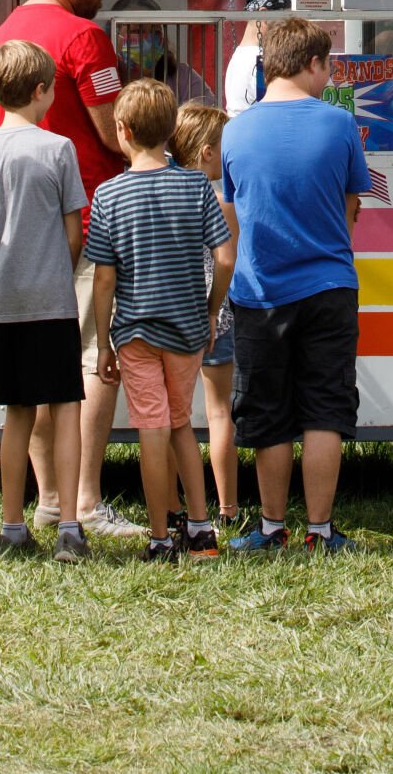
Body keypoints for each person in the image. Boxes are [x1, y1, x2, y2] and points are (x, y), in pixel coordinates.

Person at [0, 0, 135, 538]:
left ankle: (49, 499)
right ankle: (88, 500)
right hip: (91, 219)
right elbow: (113, 131)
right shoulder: (86, 38)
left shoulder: (5, 32)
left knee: (44, 369)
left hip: (22, 229)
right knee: (96, 358)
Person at [218, 15, 371, 554]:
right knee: (326, 408)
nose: (329, 76)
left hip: (258, 291)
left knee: (269, 413)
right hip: (330, 285)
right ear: (311, 64)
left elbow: (233, 218)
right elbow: (352, 205)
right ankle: (322, 531)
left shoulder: (234, 130)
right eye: (327, 65)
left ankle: (270, 528)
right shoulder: (339, 126)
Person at [0, 36, 89, 561]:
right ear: (40, 91)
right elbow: (73, 229)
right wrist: (58, 263)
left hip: (1, 302)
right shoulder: (58, 150)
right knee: (66, 411)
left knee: (16, 415)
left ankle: (12, 525)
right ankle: (70, 526)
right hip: (52, 299)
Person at [87, 77, 231, 562]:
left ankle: (159, 536)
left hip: (135, 331)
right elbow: (225, 257)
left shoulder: (109, 196)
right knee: (181, 425)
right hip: (188, 327)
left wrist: (105, 342)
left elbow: (104, 279)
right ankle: (202, 528)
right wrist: (212, 311)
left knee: (151, 426)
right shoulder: (194, 185)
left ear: (122, 130)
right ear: (172, 131)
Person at [173, 100, 241, 527]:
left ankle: (177, 508)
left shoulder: (163, 190)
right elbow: (228, 258)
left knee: (173, 416)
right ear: (205, 151)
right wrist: (215, 308)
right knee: (219, 412)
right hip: (218, 314)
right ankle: (228, 507)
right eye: (223, 146)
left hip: (172, 315)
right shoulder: (221, 200)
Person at [224, 0, 291, 115]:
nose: (290, 27)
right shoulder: (259, 59)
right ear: (264, 15)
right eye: (286, 18)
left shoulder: (241, 55)